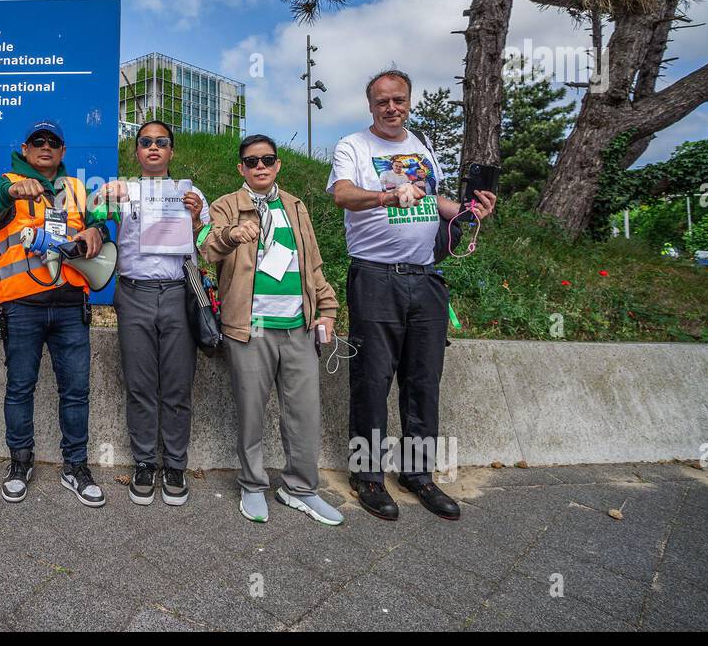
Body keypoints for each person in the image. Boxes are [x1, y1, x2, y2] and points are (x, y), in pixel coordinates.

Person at [327, 69, 497, 522]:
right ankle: (366, 475)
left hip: (426, 280)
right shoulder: (354, 146)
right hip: (375, 278)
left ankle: (417, 474)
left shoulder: (421, 147)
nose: (391, 108)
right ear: (370, 105)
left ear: (409, 102)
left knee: (423, 381)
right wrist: (386, 197)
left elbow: (434, 201)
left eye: (398, 100)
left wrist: (470, 211)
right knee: (371, 379)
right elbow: (342, 194)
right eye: (382, 101)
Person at [200, 134, 343, 526]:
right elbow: (207, 247)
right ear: (241, 168)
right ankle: (252, 484)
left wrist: (327, 309)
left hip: (298, 326)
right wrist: (232, 234)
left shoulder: (295, 206)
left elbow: (313, 264)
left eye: (267, 159)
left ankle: (300, 488)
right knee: (251, 412)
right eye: (251, 161)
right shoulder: (226, 205)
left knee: (304, 414)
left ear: (278, 164)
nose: (260, 166)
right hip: (250, 328)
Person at [0, 120, 112, 507]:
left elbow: (101, 224)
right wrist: (11, 189)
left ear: (63, 151)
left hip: (71, 307)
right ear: (26, 147)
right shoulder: (8, 182)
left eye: (54, 142)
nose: (46, 146)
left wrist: (98, 232)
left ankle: (76, 466)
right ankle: (19, 462)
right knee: (19, 388)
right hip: (21, 307)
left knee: (76, 391)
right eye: (38, 141)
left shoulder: (79, 188)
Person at [93, 121, 209, 506]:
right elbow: (90, 212)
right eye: (146, 142)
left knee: (177, 386)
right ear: (137, 151)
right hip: (134, 294)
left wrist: (195, 221)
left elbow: (209, 247)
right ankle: (144, 463)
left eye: (162, 142)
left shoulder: (191, 193)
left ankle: (175, 464)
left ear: (172, 151)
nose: (154, 147)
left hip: (178, 293)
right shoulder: (125, 190)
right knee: (139, 384)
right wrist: (104, 193)